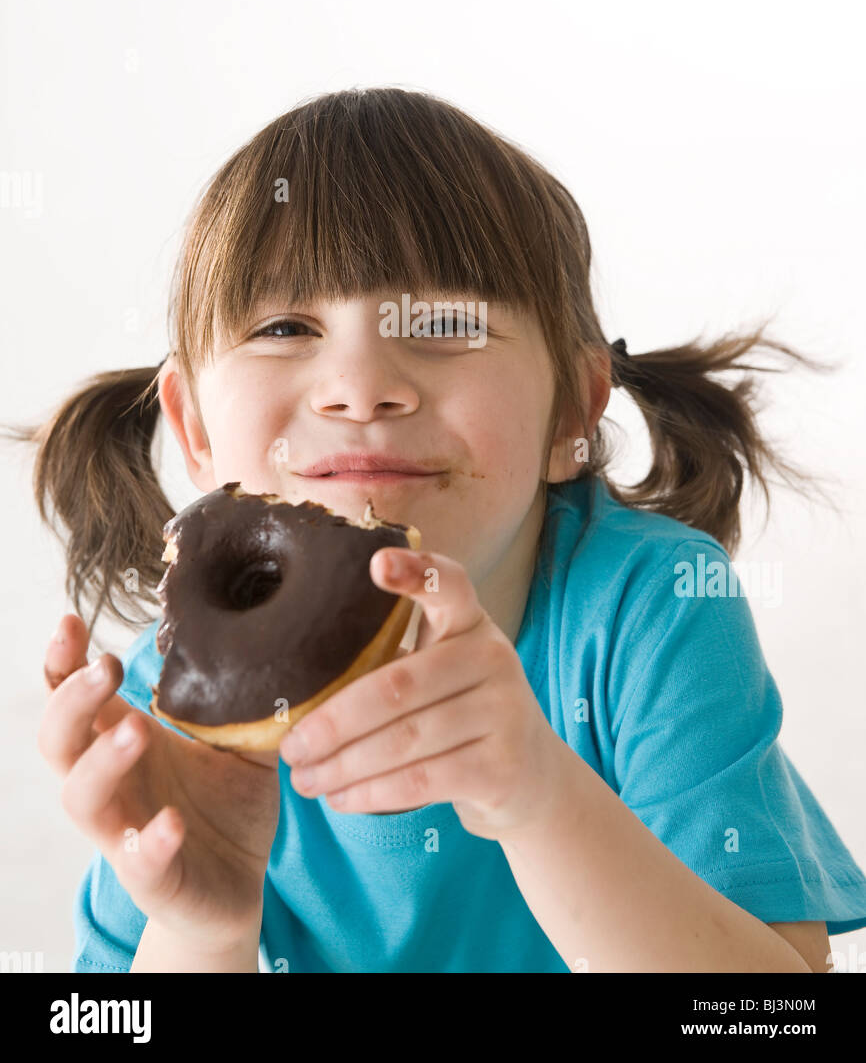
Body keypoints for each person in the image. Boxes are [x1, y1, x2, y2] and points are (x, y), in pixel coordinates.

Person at [17, 86, 866, 972]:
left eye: (447, 323)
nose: (360, 387)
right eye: (286, 326)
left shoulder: (648, 612)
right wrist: (202, 929)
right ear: (193, 430)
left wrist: (537, 796)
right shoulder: (183, 696)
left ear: (571, 413)